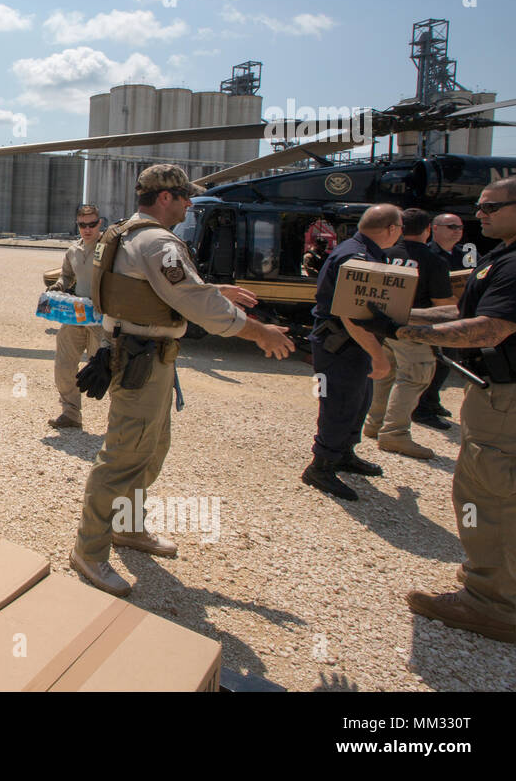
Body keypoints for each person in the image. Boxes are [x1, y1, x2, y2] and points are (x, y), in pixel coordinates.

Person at [69, 165, 294, 597]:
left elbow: (158, 288)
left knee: (149, 450)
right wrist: (259, 331)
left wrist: (212, 290)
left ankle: (127, 527)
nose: (191, 204)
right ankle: (89, 549)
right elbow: (192, 302)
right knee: (123, 457)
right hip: (142, 359)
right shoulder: (158, 241)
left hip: (144, 354)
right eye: (185, 196)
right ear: (166, 197)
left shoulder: (127, 233)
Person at [359, 177, 516, 643]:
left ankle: (488, 602)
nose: (480, 214)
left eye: (491, 207)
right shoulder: (503, 256)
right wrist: (402, 320)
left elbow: (488, 330)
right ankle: (500, 580)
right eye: (480, 206)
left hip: (507, 399)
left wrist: (406, 333)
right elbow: (461, 314)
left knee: (486, 496)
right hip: (500, 393)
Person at [301, 205, 403, 501]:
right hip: (341, 344)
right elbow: (352, 315)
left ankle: (343, 454)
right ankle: (320, 466)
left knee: (359, 401)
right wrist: (379, 356)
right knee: (339, 403)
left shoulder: (361, 250)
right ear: (392, 229)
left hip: (350, 344)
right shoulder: (356, 256)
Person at [362, 207, 455, 455]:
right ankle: (395, 433)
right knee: (414, 378)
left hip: (381, 324)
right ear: (427, 230)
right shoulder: (433, 261)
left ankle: (374, 424)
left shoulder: (383, 253)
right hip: (414, 328)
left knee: (385, 374)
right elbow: (443, 306)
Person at [47, 204, 106, 430]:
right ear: (77, 225)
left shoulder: (109, 248)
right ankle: (71, 414)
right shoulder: (73, 251)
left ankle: (122, 421)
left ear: (99, 223)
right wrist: (58, 287)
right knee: (64, 365)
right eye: (83, 225)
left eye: (92, 224)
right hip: (76, 315)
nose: (87, 229)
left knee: (106, 367)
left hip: (102, 319)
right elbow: (67, 275)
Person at [414, 212, 470, 424]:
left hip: (456, 316)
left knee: (449, 361)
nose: (457, 231)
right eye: (451, 227)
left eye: (460, 227)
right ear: (434, 228)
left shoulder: (465, 254)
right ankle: (421, 408)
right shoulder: (427, 255)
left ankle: (431, 399)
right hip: (432, 315)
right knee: (435, 362)